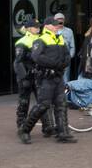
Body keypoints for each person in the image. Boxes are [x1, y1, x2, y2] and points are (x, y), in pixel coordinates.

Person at [23, 14, 74, 144]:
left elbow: (67, 55)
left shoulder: (60, 39)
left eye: (57, 25)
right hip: (46, 78)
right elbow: (36, 57)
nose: (57, 27)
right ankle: (25, 130)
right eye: (54, 25)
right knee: (43, 105)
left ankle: (62, 132)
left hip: (58, 77)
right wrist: (55, 64)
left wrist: (63, 64)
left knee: (61, 105)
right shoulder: (41, 40)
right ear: (47, 26)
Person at [12, 17, 42, 139]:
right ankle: (21, 125)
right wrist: (23, 77)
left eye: (39, 26)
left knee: (42, 102)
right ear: (29, 28)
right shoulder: (22, 42)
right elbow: (18, 62)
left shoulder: (40, 40)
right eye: (36, 27)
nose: (38, 28)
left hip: (38, 75)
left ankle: (48, 126)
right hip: (27, 76)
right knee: (24, 102)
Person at [52, 13, 75, 85]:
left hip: (65, 59)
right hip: (54, 60)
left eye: (62, 19)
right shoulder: (51, 31)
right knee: (54, 79)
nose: (60, 21)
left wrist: (69, 57)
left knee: (65, 79)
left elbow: (72, 46)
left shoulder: (69, 31)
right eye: (58, 19)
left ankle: (65, 95)